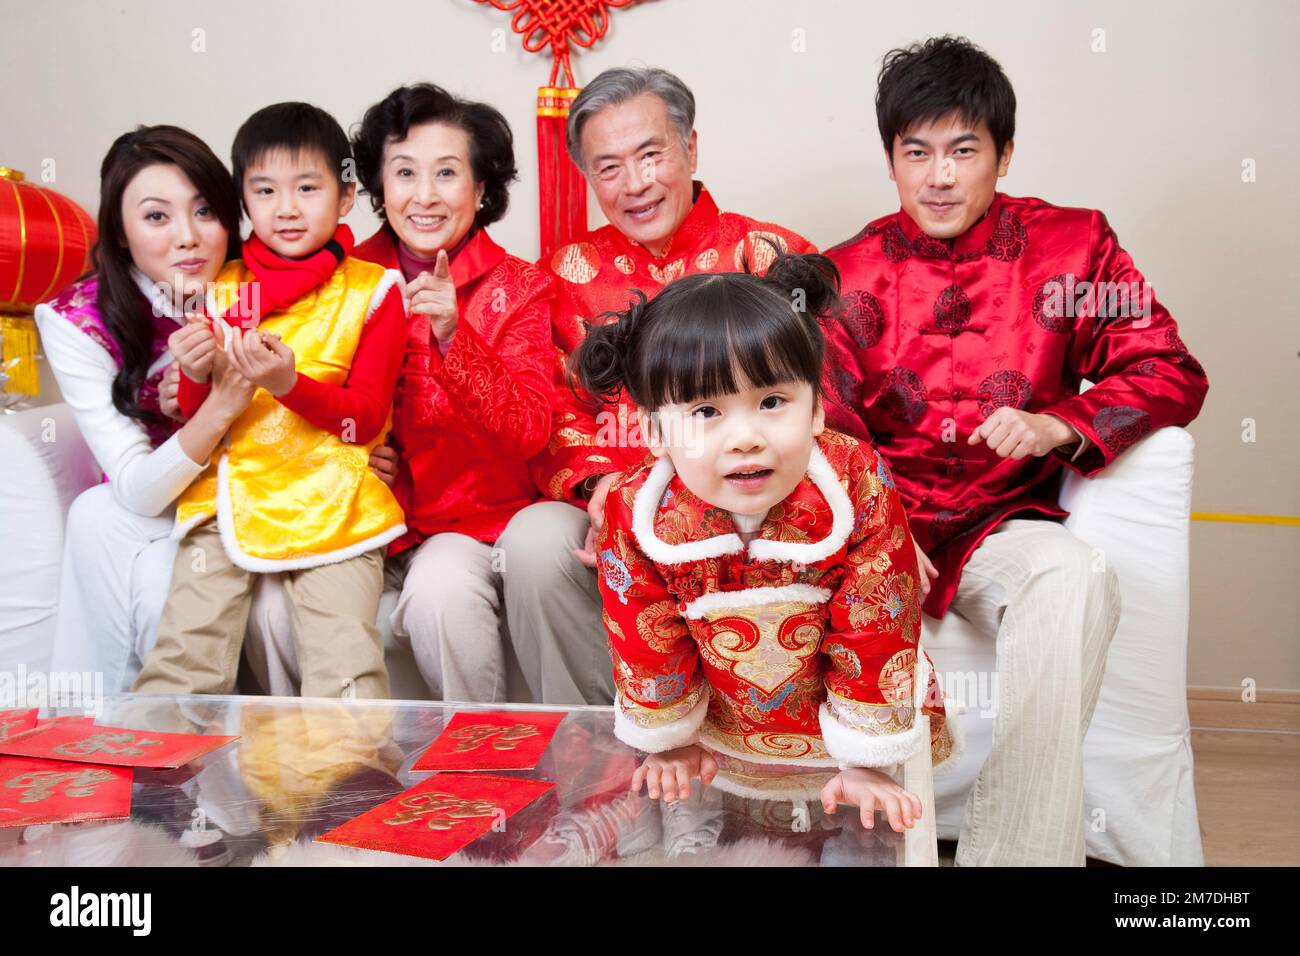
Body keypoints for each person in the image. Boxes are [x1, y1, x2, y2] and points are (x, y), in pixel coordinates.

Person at [823, 36, 1209, 865]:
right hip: (887, 535)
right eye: (915, 152)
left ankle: (1017, 856)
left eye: (964, 150)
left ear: (1003, 154)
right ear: (890, 160)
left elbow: (1170, 367)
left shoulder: (1074, 247)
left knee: (1074, 574)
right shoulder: (844, 276)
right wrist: (879, 528)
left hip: (1005, 519)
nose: (939, 176)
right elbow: (823, 431)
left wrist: (1061, 424)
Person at [574, 248, 957, 825]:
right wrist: (671, 737)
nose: (746, 437)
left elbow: (881, 614)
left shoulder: (855, 480)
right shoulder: (637, 511)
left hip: (847, 722)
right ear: (655, 431)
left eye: (773, 402)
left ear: (817, 411)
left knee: (853, 834)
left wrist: (865, 759)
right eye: (706, 410)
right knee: (740, 834)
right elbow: (642, 633)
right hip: (720, 732)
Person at [501, 65, 817, 706]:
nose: (634, 184)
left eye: (651, 155)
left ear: (690, 147)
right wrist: (597, 486)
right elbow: (555, 409)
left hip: (748, 487)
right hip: (613, 491)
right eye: (608, 168)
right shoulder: (562, 274)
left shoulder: (772, 255)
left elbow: (821, 399)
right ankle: (594, 751)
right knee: (534, 541)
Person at [246, 83, 556, 703]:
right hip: (347, 518)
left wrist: (452, 335)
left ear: (482, 188)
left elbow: (530, 431)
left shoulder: (522, 289)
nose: (424, 196)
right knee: (272, 609)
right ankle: (323, 775)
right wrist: (356, 455)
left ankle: (481, 766)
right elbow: (286, 414)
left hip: (465, 528)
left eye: (446, 173)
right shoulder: (333, 280)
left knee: (441, 593)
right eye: (404, 172)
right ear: (377, 187)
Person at [132, 102, 407, 699]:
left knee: (346, 669)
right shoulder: (220, 287)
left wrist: (290, 386)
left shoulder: (375, 291)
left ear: (344, 196)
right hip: (226, 498)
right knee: (184, 657)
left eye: (307, 188)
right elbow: (205, 409)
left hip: (336, 502)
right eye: (265, 190)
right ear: (244, 202)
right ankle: (155, 787)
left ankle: (351, 789)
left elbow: (365, 419)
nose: (286, 208)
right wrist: (194, 369)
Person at [34, 125, 252, 693]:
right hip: (156, 502)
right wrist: (216, 412)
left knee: (121, 543)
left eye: (206, 211)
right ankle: (103, 736)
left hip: (261, 487)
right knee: (99, 513)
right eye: (157, 217)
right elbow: (135, 489)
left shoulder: (267, 283)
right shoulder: (77, 320)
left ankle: (137, 739)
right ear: (122, 233)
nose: (189, 238)